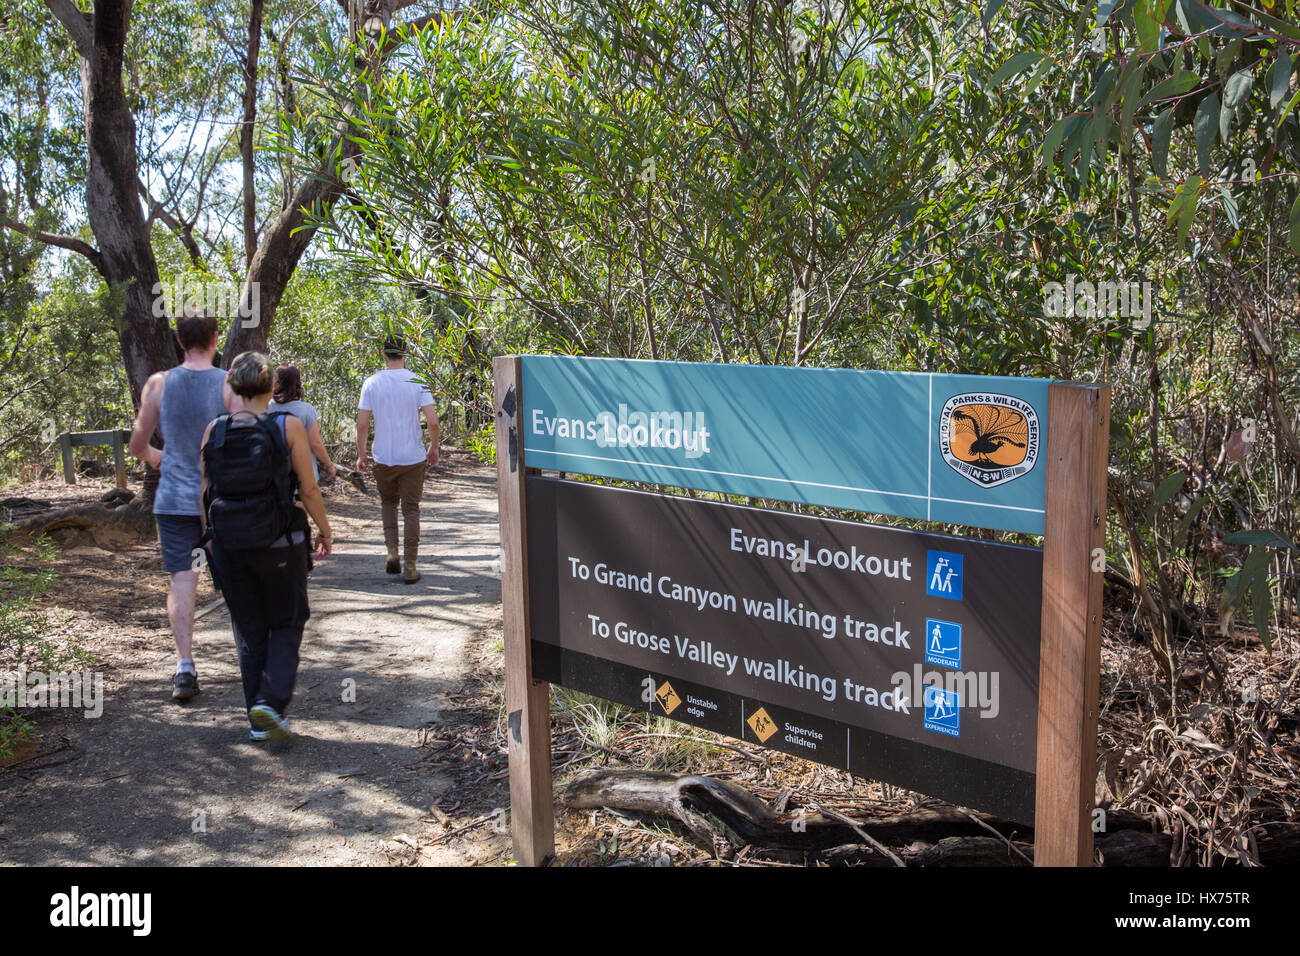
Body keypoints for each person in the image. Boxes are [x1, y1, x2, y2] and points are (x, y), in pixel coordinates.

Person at [199, 352, 332, 742]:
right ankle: (270, 703)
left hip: (228, 545)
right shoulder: (287, 426)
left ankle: (258, 722)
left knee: (250, 629)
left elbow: (205, 491)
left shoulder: (215, 430)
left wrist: (209, 539)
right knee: (288, 621)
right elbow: (307, 489)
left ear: (234, 386)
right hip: (279, 544)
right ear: (267, 385)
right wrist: (324, 531)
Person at [128, 310, 233, 702]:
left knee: (184, 578)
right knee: (234, 574)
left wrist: (159, 457)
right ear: (215, 339)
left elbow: (138, 446)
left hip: (173, 500)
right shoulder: (228, 385)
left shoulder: (158, 385)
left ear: (179, 342)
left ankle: (185, 666)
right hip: (221, 500)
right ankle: (251, 659)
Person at [355, 334, 438, 584]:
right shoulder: (417, 381)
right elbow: (432, 421)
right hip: (412, 456)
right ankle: (411, 565)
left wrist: (362, 454)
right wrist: (434, 447)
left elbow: (361, 424)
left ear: (384, 354)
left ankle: (392, 552)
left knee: (388, 503)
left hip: (383, 455)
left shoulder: (372, 382)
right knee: (411, 509)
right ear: (406, 353)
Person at [268, 363, 337, 483]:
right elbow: (315, 443)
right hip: (303, 476)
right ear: (297, 383)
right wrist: (329, 466)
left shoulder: (265, 406)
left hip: (272, 475)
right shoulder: (306, 410)